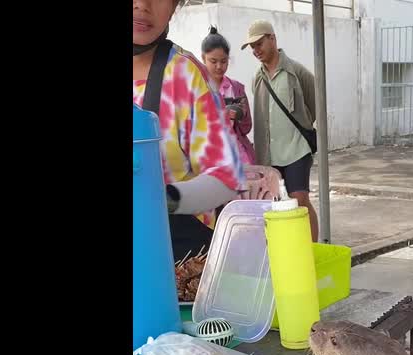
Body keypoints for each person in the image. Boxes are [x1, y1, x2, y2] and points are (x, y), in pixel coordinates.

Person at [133, 0, 244, 261]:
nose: (142, 4)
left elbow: (226, 177)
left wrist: (166, 199)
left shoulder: (186, 76)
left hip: (176, 256)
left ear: (174, 6)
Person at [243, 20, 320, 244]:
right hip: (269, 154)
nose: (256, 51)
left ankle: (313, 249)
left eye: (259, 44)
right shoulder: (257, 78)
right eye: (252, 47)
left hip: (296, 148)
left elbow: (315, 104)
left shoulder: (296, 71)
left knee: (300, 199)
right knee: (273, 205)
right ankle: (283, 250)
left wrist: (303, 124)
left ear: (272, 39)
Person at [202, 26, 256, 166]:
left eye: (224, 61)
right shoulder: (197, 88)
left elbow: (246, 128)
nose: (219, 66)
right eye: (213, 61)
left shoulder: (236, 88)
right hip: (208, 157)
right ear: (203, 58)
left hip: (238, 156)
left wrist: (241, 115)